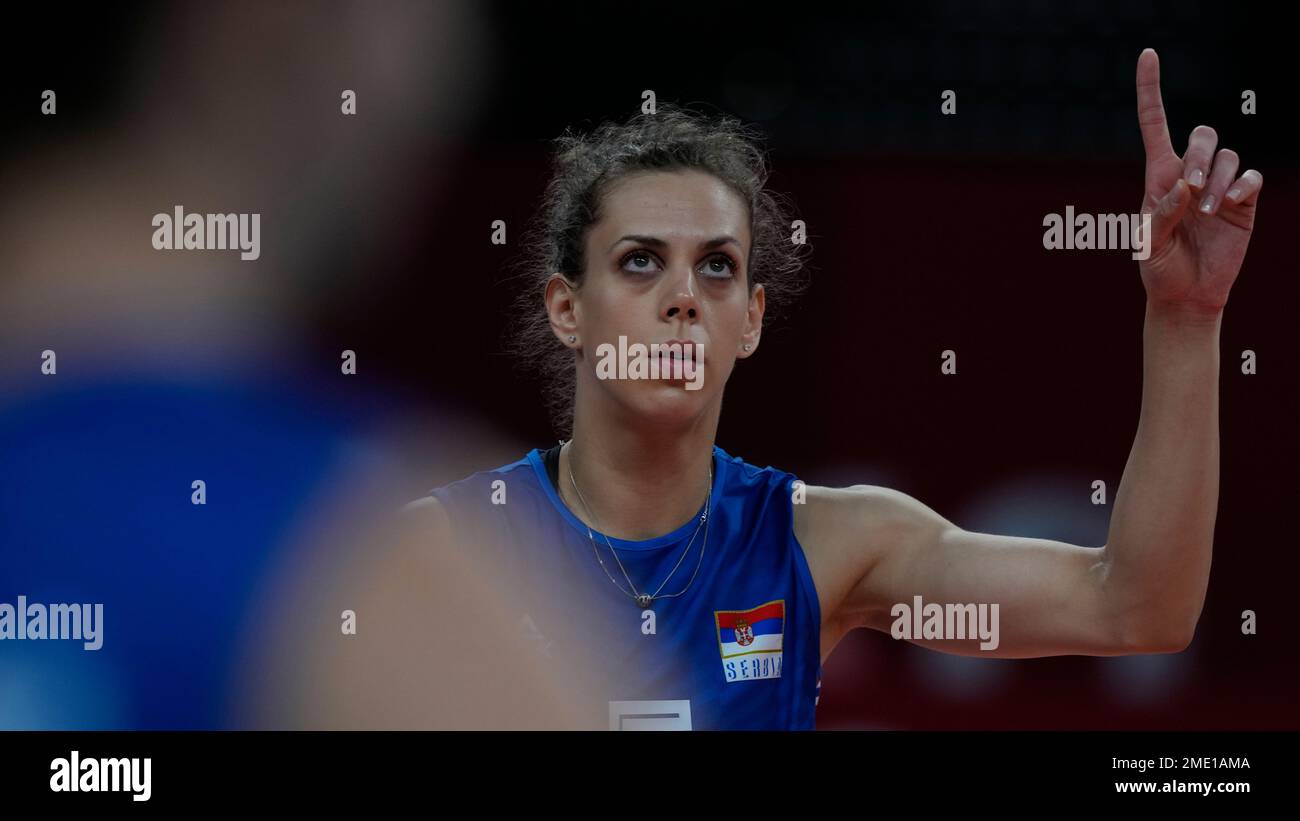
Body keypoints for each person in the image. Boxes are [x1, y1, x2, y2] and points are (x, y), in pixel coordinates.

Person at [402, 48, 1263, 730]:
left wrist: (1186, 320)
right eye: (639, 262)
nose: (682, 298)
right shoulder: (444, 551)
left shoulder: (826, 544)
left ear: (751, 320)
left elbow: (1138, 607)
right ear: (566, 309)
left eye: (717, 267)